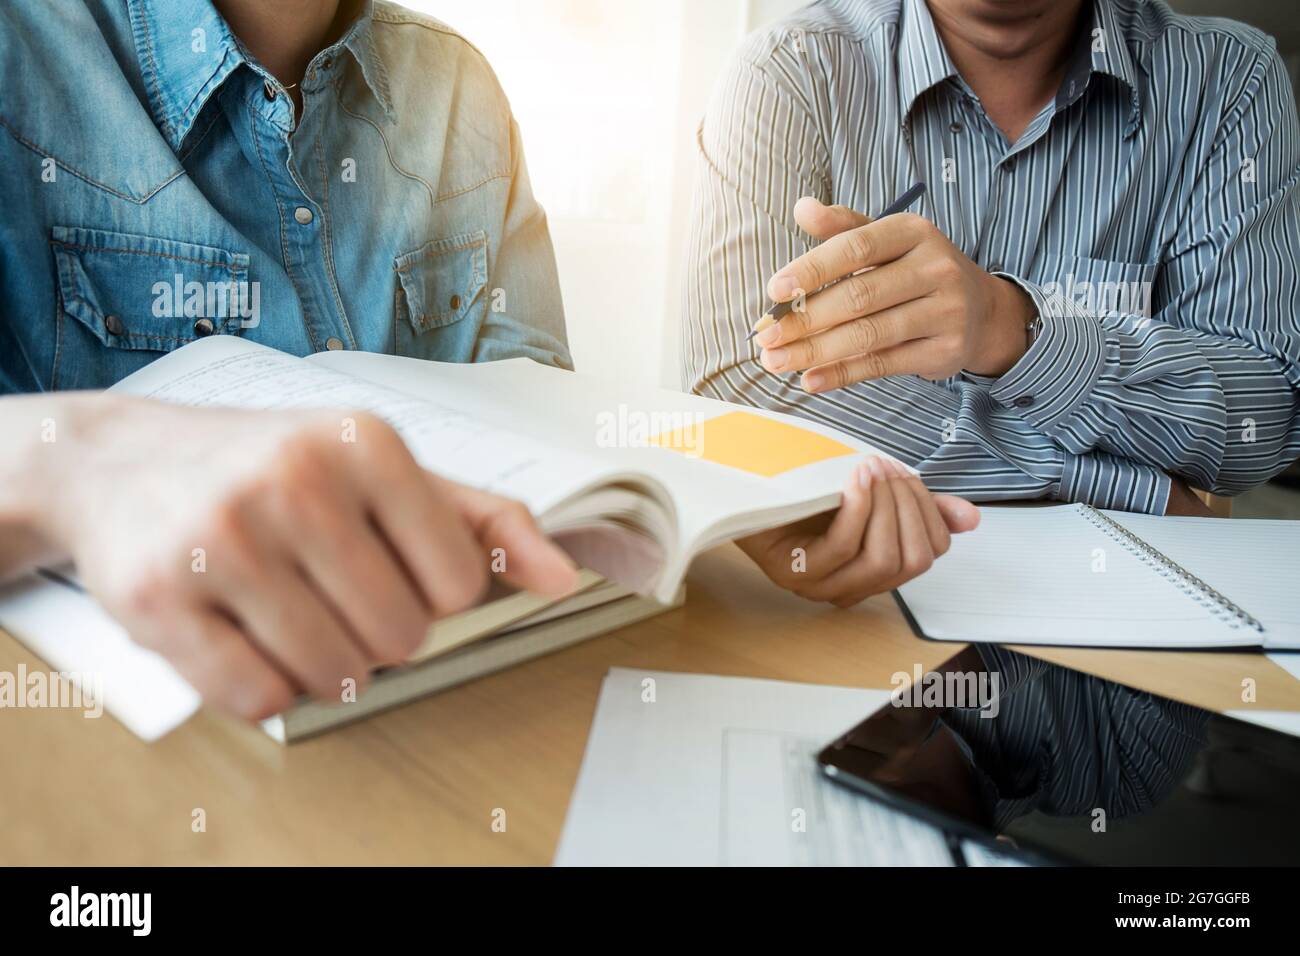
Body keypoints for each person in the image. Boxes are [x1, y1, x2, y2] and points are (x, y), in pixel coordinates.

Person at [0, 0, 975, 722]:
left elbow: (541, 418)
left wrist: (714, 502)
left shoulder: (454, 87)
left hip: (450, 708)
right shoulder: (23, 54)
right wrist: (76, 455)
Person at [683, 0, 1300, 600]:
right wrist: (1111, 482)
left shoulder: (1229, 78)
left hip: (1123, 643)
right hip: (858, 619)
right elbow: (736, 387)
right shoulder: (789, 68)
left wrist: (1013, 329)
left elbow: (1261, 425)